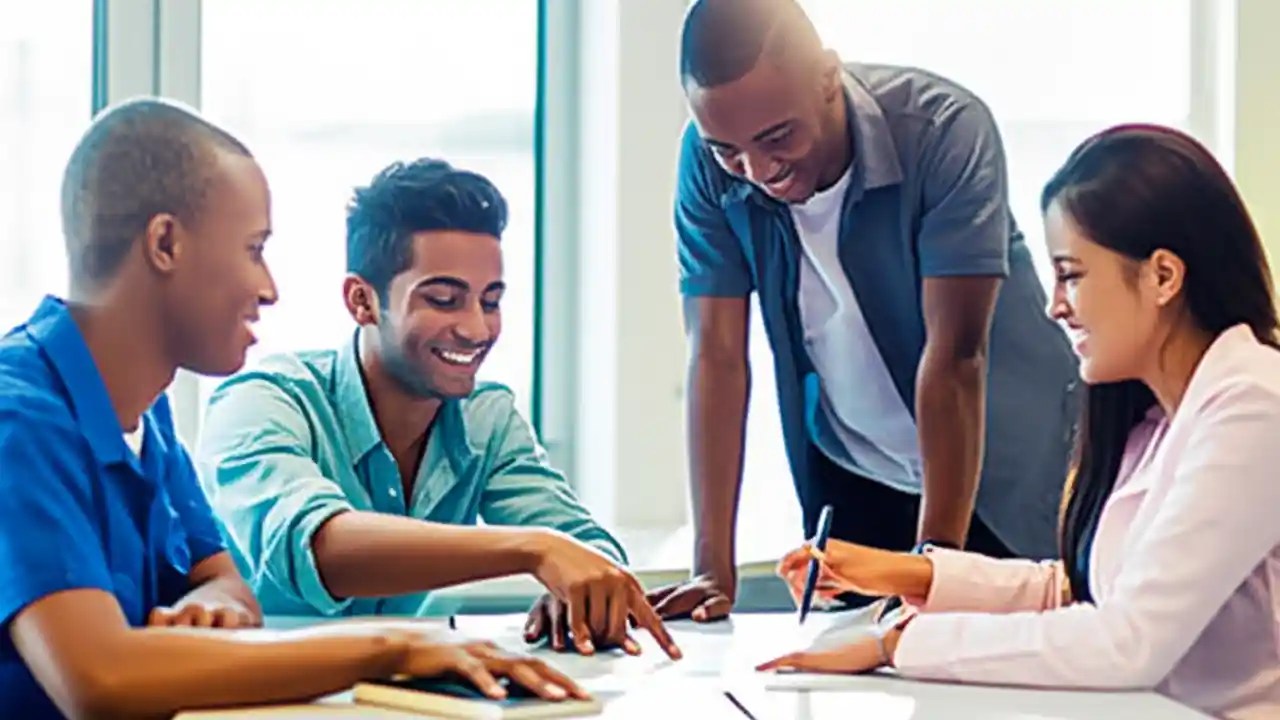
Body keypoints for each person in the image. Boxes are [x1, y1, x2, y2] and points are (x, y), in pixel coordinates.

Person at [0, 98, 585, 720]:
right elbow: (100, 680)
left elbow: (227, 585)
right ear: (165, 243)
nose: (268, 288)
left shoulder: (146, 419)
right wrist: (395, 646)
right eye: (254, 249)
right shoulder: (21, 419)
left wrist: (217, 604)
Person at [759, 124, 1280, 720]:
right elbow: (1076, 591)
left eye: (1072, 275)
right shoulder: (1156, 419)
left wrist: (897, 644)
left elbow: (1126, 642)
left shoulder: (1254, 405)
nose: (1055, 305)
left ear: (1163, 276)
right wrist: (912, 573)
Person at [651, 0, 1080, 621]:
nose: (757, 170)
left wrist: (938, 569)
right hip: (854, 468)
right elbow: (717, 356)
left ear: (828, 77)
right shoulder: (707, 164)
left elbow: (956, 356)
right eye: (728, 151)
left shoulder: (941, 130)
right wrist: (711, 568)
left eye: (778, 137)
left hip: (999, 469)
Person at [195, 158, 680, 660]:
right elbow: (322, 551)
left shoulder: (485, 419)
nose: (476, 329)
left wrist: (578, 590)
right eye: (444, 300)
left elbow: (585, 546)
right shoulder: (261, 402)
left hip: (409, 689)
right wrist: (535, 550)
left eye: (490, 302)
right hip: (258, 693)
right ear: (362, 301)